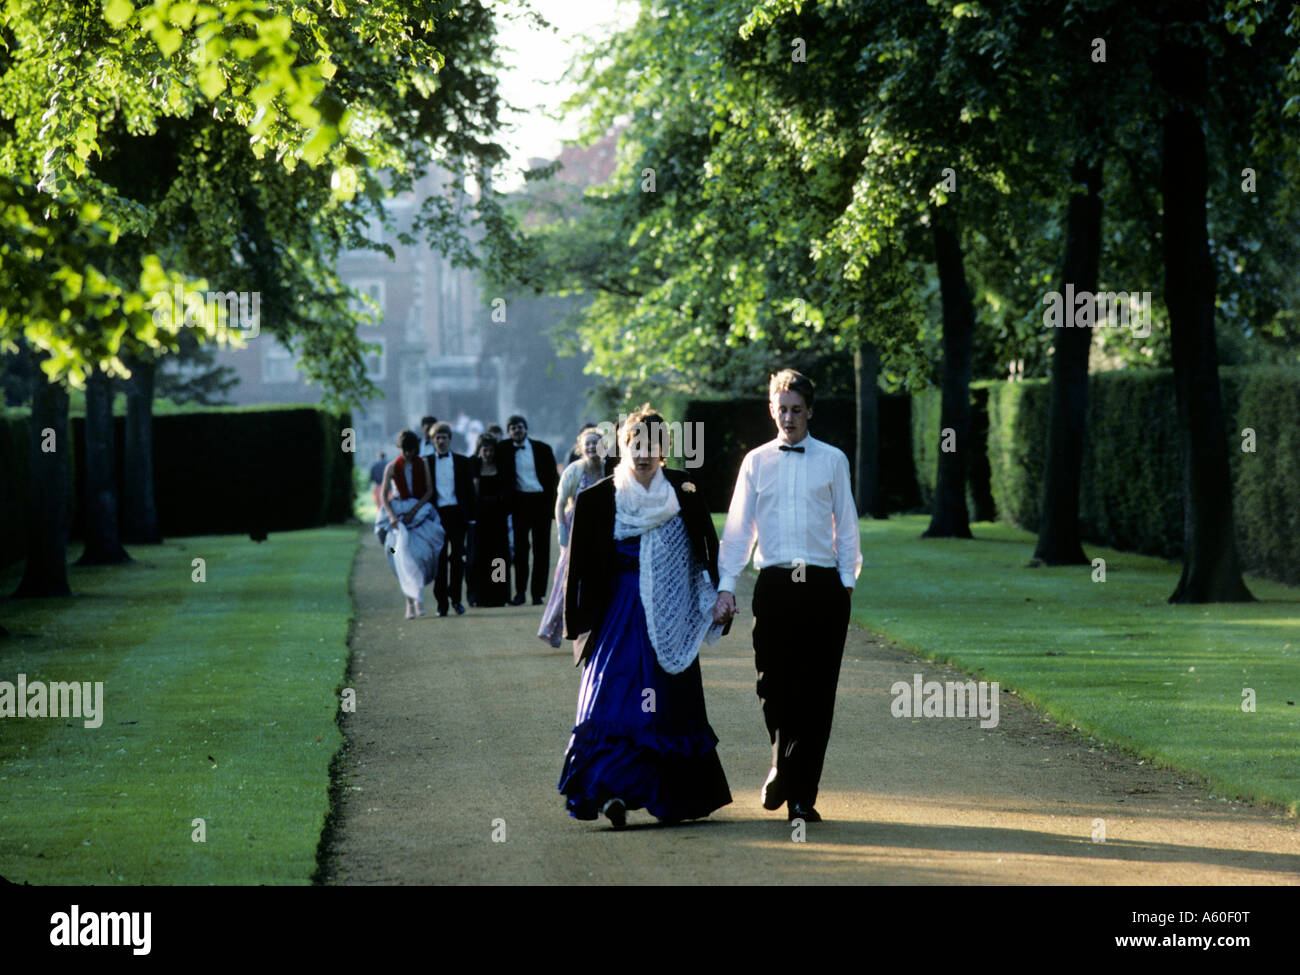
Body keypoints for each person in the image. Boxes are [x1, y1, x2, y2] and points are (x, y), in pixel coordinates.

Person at [558, 405, 732, 828]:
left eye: (652, 446)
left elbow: (708, 549)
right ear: (623, 446)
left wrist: (722, 594)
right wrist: (575, 627)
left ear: (665, 450)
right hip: (616, 616)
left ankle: (669, 796)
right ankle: (611, 790)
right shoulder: (597, 499)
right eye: (635, 444)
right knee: (612, 700)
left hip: (669, 618)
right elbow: (577, 568)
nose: (642, 454)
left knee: (667, 705)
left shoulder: (684, 491)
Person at [714, 369, 861, 823]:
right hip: (775, 585)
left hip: (821, 587)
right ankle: (782, 761)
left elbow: (847, 527)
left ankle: (801, 797)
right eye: (783, 409)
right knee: (773, 686)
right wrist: (725, 587)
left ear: (810, 411)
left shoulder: (833, 460)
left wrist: (845, 587)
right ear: (772, 410)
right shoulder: (756, 462)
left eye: (798, 410)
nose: (790, 417)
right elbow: (738, 531)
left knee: (816, 695)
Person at [539, 426, 607, 647]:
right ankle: (551, 628)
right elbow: (559, 504)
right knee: (565, 580)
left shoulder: (609, 470)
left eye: (595, 443)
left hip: (602, 530)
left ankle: (595, 628)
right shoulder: (573, 470)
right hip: (575, 529)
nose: (591, 447)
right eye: (587, 443)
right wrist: (561, 531)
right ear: (580, 447)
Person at [376, 430, 446, 619]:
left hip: (419, 511)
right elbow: (384, 495)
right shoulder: (391, 467)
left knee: (419, 557)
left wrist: (414, 510)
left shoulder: (421, 464)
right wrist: (391, 516)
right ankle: (410, 602)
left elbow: (429, 490)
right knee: (398, 556)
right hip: (397, 515)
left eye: (411, 450)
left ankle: (418, 598)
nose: (408, 454)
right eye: (405, 450)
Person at [497, 414, 559, 606]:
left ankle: (538, 594)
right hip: (519, 503)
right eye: (513, 428)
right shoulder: (503, 449)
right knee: (521, 551)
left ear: (526, 429)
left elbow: (553, 479)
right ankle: (520, 593)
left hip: (540, 501)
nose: (517, 430)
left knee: (542, 551)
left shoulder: (543, 449)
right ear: (508, 432)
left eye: (520, 427)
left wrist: (553, 507)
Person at [429, 421, 474, 617]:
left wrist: (471, 518)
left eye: (444, 438)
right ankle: (441, 604)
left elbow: (470, 492)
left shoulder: (463, 462)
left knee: (457, 560)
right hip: (437, 517)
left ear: (450, 439)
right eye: (437, 438)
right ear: (432, 440)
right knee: (439, 562)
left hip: (457, 515)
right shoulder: (426, 462)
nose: (441, 441)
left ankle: (456, 600)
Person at [470, 434, 511, 607]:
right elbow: (473, 493)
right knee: (480, 557)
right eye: (484, 449)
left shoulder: (501, 467)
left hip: (498, 518)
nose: (487, 453)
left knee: (499, 558)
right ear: (479, 450)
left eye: (490, 450)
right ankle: (480, 595)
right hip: (480, 518)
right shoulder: (474, 467)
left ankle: (499, 594)